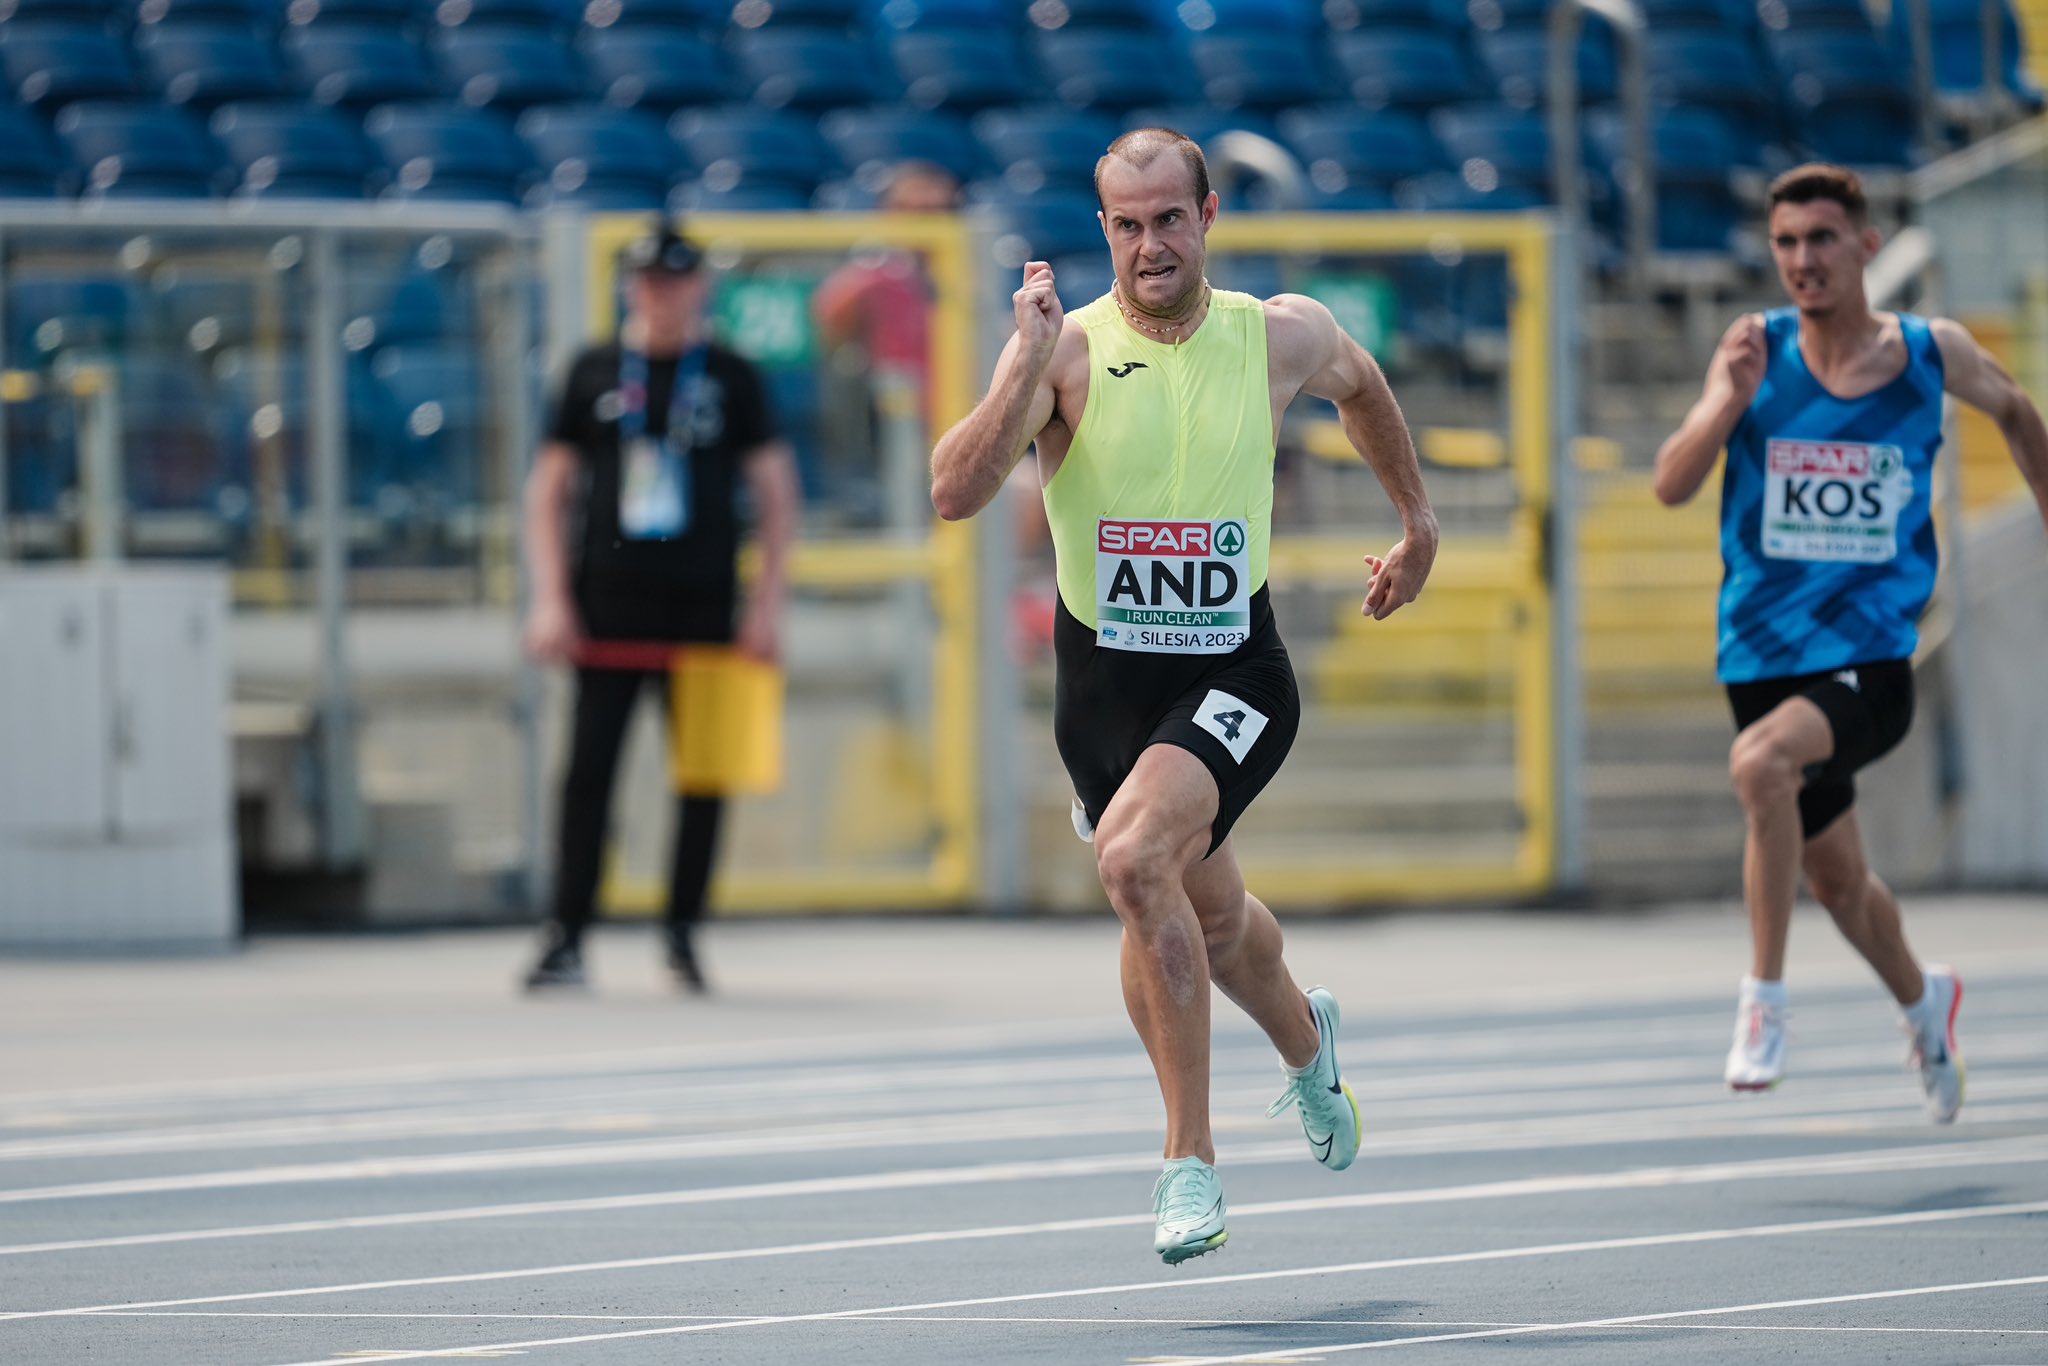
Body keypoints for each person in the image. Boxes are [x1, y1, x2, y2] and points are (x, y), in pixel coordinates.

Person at [930, 128, 1438, 1263]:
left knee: (1131, 863)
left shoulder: (1278, 334)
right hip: (1103, 689)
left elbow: (1362, 388)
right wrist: (1017, 367)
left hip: (1233, 671)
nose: (1150, 244)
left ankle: (1185, 1163)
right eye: (1126, 224)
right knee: (1208, 920)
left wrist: (1416, 521)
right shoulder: (1063, 355)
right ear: (1100, 228)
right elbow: (953, 495)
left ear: (1207, 215)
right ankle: (1309, 1047)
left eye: (1170, 218)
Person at [1654, 164, 2048, 1121]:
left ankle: (1764, 1003)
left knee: (1759, 767)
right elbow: (1671, 482)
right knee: (1837, 881)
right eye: (1787, 243)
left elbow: (2017, 411)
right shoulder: (1754, 349)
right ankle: (1925, 1000)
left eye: (1822, 238)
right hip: (1760, 654)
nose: (1802, 260)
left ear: (1867, 246)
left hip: (1871, 660)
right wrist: (1726, 400)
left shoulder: (1927, 353)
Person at [521, 219, 800, 994]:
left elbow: (776, 496)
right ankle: (566, 934)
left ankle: (682, 932)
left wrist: (767, 605)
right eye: (648, 280)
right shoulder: (594, 370)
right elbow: (548, 492)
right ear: (627, 286)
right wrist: (549, 599)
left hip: (707, 611)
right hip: (606, 609)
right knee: (588, 777)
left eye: (676, 280)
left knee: (704, 777)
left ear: (700, 287)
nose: (662, 293)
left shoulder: (733, 376)